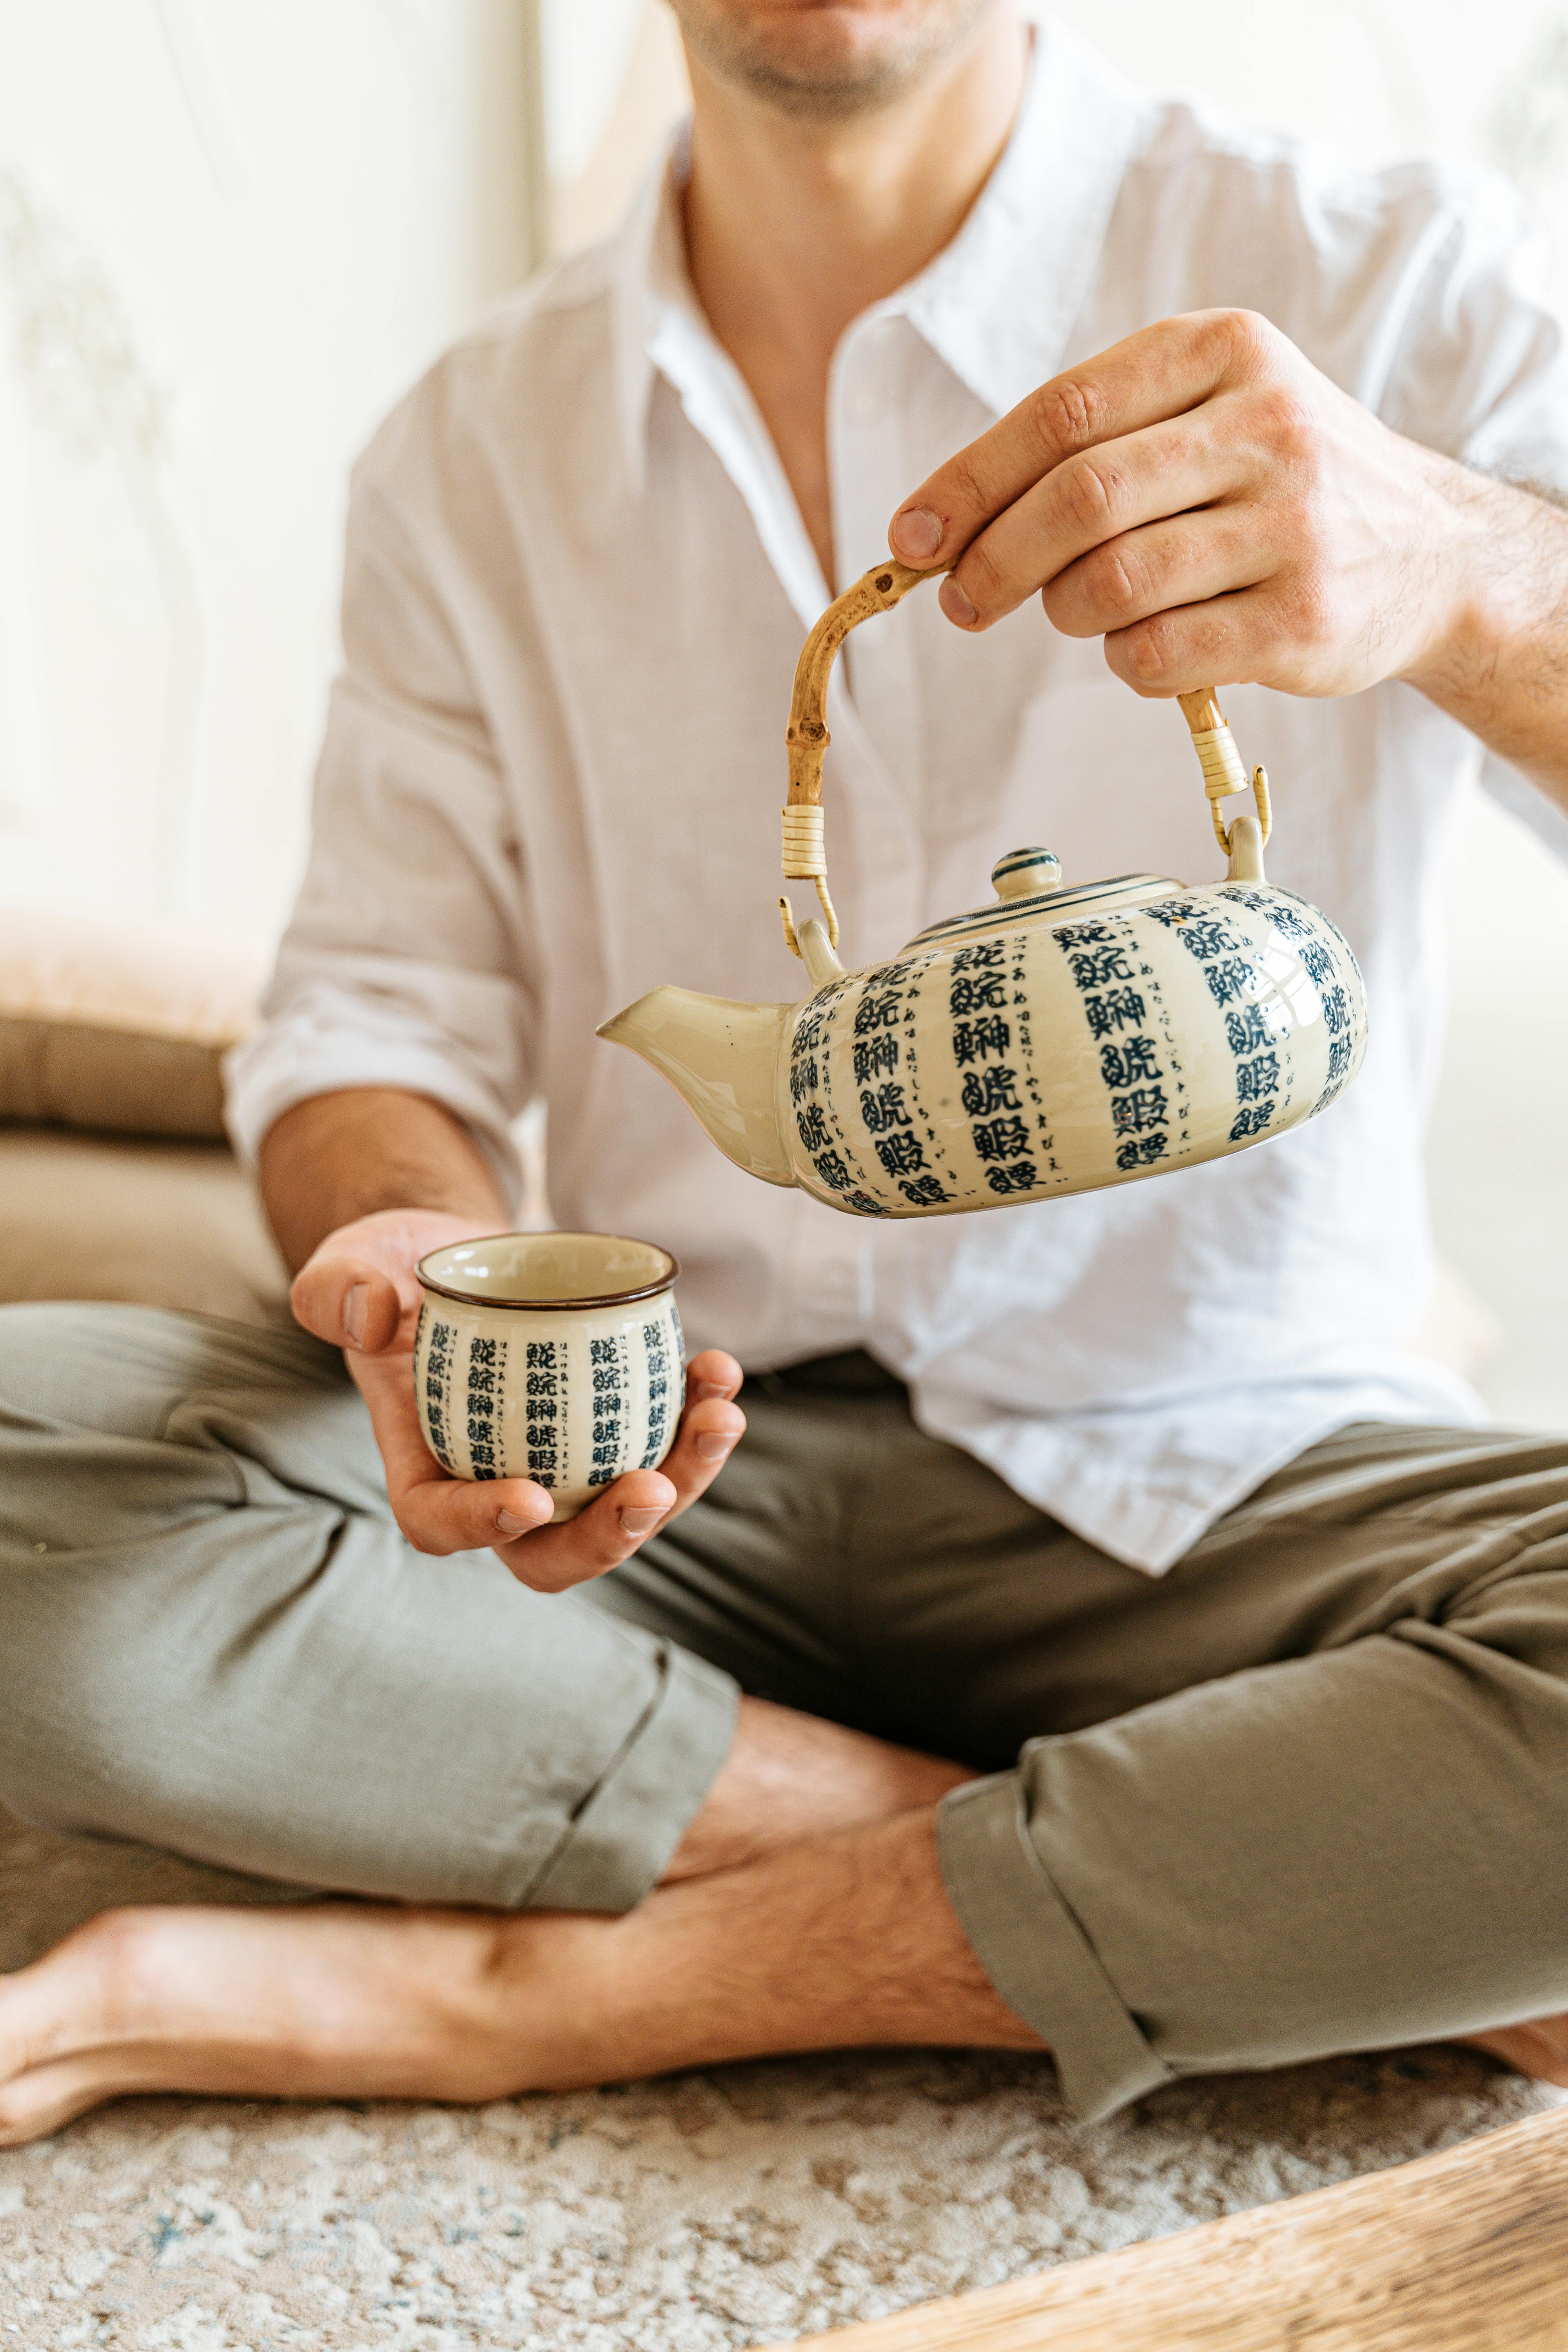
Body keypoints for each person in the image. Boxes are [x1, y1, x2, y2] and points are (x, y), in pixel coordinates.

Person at [2, 0, 1567, 2143]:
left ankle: (539, 1995)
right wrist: (423, 1265)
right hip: (663, 1488)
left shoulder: (1384, 276)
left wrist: (1475, 573)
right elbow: (376, 1023)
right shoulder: (476, 444)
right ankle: (1137, 1854)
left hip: (1223, 1482)